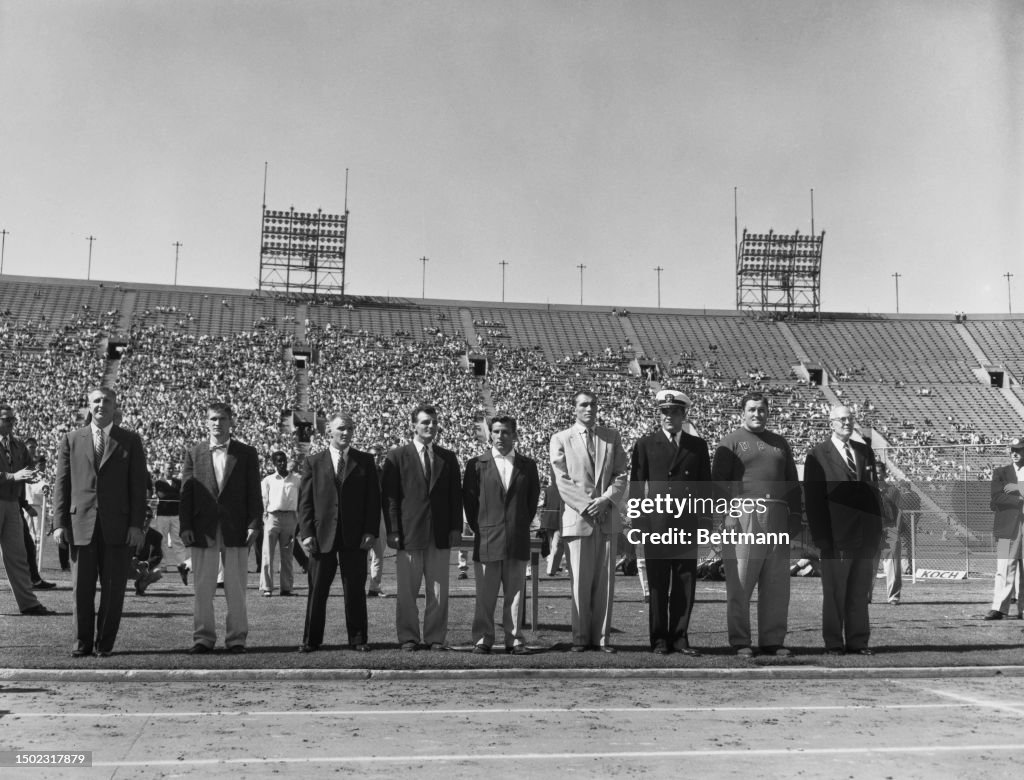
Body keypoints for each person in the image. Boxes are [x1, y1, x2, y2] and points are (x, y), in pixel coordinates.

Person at [53, 389, 147, 656]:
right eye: (96, 400)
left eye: (106, 400)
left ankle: (104, 644)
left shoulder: (129, 440)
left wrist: (135, 525)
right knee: (81, 591)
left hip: (118, 528)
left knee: (114, 590)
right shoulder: (71, 440)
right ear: (89, 405)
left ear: (115, 405)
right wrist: (59, 523)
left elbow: (138, 488)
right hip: (80, 524)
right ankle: (81, 643)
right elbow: (62, 484)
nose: (100, 405)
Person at [711, 392, 802, 657]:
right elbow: (717, 485)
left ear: (767, 413)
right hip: (744, 515)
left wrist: (794, 519)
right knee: (741, 582)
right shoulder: (731, 442)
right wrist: (724, 519)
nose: (757, 414)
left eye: (761, 410)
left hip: (777, 515)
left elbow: (792, 484)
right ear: (742, 412)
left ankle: (772, 640)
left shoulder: (780, 443)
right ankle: (740, 641)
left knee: (776, 584)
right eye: (751, 410)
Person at [628, 389, 711, 656]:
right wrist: (639, 523)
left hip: (687, 522)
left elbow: (705, 488)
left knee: (685, 583)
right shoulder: (645, 444)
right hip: (656, 524)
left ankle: (680, 637)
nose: (668, 417)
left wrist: (705, 523)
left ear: (684, 415)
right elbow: (637, 487)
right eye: (664, 412)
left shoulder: (697, 446)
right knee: (657, 583)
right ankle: (659, 639)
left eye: (674, 412)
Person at [179, 401, 263, 654]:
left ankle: (236, 638)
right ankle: (203, 638)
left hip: (236, 526)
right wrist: (185, 525)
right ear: (206, 422)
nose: (217, 423)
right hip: (203, 527)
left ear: (231, 422)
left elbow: (253, 492)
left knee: (235, 588)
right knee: (203, 588)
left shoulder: (247, 453)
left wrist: (254, 523)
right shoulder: (195, 452)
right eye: (213, 419)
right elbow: (186, 493)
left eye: (222, 419)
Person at [549, 390, 628, 653]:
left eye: (593, 404)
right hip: (578, 518)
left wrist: (605, 500)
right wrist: (587, 505)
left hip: (606, 517)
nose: (589, 408)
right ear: (574, 409)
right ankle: (580, 638)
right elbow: (562, 480)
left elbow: (621, 474)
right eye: (583, 404)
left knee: (605, 584)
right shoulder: (560, 438)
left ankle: (602, 639)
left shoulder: (611, 436)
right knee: (579, 584)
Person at [381, 403, 463, 651]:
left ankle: (435, 637)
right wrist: (393, 530)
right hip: (409, 534)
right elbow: (391, 498)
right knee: (407, 591)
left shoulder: (447, 457)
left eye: (434, 422)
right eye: (425, 422)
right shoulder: (396, 456)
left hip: (439, 533)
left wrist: (455, 527)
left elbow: (454, 496)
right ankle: (408, 637)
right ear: (413, 425)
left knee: (438, 592)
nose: (431, 426)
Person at [803, 405, 883, 655]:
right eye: (842, 419)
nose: (847, 423)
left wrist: (876, 528)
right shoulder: (817, 454)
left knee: (860, 592)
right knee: (835, 593)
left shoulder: (864, 451)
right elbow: (814, 500)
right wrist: (822, 537)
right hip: (836, 537)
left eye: (850, 419)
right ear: (831, 423)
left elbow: (873, 493)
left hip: (863, 535)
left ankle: (859, 642)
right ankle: (834, 643)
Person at [297, 414, 380, 652]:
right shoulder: (313, 461)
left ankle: (358, 639)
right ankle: (311, 640)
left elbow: (372, 500)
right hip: (322, 535)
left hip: (355, 536)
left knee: (354, 589)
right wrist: (307, 533)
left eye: (350, 428)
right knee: (318, 590)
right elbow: (305, 502)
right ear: (328, 433)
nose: (346, 432)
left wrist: (370, 530)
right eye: (341, 428)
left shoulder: (365, 461)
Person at [462, 414, 541, 655]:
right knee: (485, 595)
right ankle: (483, 638)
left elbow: (530, 502)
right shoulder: (476, 464)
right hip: (487, 538)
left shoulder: (528, 466)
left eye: (505, 432)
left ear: (514, 435)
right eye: (495, 431)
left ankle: (514, 639)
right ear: (490, 434)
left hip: (516, 538)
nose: (500, 436)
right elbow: (470, 502)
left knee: (515, 594)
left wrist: (517, 525)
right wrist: (484, 527)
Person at [0, 403, 53, 617]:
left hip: (12, 505)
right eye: (6, 419)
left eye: (13, 419)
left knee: (18, 556)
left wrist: (37, 478)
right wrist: (13, 477)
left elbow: (31, 468)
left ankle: (28, 603)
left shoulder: (18, 445)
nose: (12, 423)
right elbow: (18, 475)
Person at [984, 436, 1024, 621]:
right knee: (1003, 568)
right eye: (1012, 450)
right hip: (1007, 528)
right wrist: (1019, 498)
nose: (1015, 453)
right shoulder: (1001, 472)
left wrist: (1012, 490)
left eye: (1019, 449)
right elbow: (996, 498)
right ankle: (999, 608)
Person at [260, 451, 300, 597]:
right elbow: (264, 500)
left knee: (287, 555)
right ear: (274, 463)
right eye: (278, 461)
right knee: (267, 554)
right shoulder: (268, 480)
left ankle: (286, 588)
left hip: (290, 518)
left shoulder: (296, 480)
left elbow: (301, 498)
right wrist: (264, 516)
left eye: (283, 460)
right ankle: (267, 587)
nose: (282, 463)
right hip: (272, 517)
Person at [872, 462, 903, 606]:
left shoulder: (893, 491)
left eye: (878, 472)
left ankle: (893, 597)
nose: (876, 475)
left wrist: (896, 530)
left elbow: (899, 512)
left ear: (885, 474)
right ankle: (865, 596)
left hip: (889, 531)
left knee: (892, 565)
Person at [365, 444, 388, 598]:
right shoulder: (361, 471)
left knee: (379, 552)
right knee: (361, 553)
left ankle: (374, 587)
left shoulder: (384, 473)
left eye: (379, 455)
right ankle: (357, 586)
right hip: (363, 514)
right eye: (373, 455)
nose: (376, 457)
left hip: (380, 514)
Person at [131, 525, 164, 595]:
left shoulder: (157, 536)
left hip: (143, 566)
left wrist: (146, 564)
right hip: (127, 564)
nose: (146, 518)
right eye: (144, 516)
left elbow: (158, 555)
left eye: (149, 516)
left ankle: (140, 585)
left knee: (157, 573)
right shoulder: (128, 531)